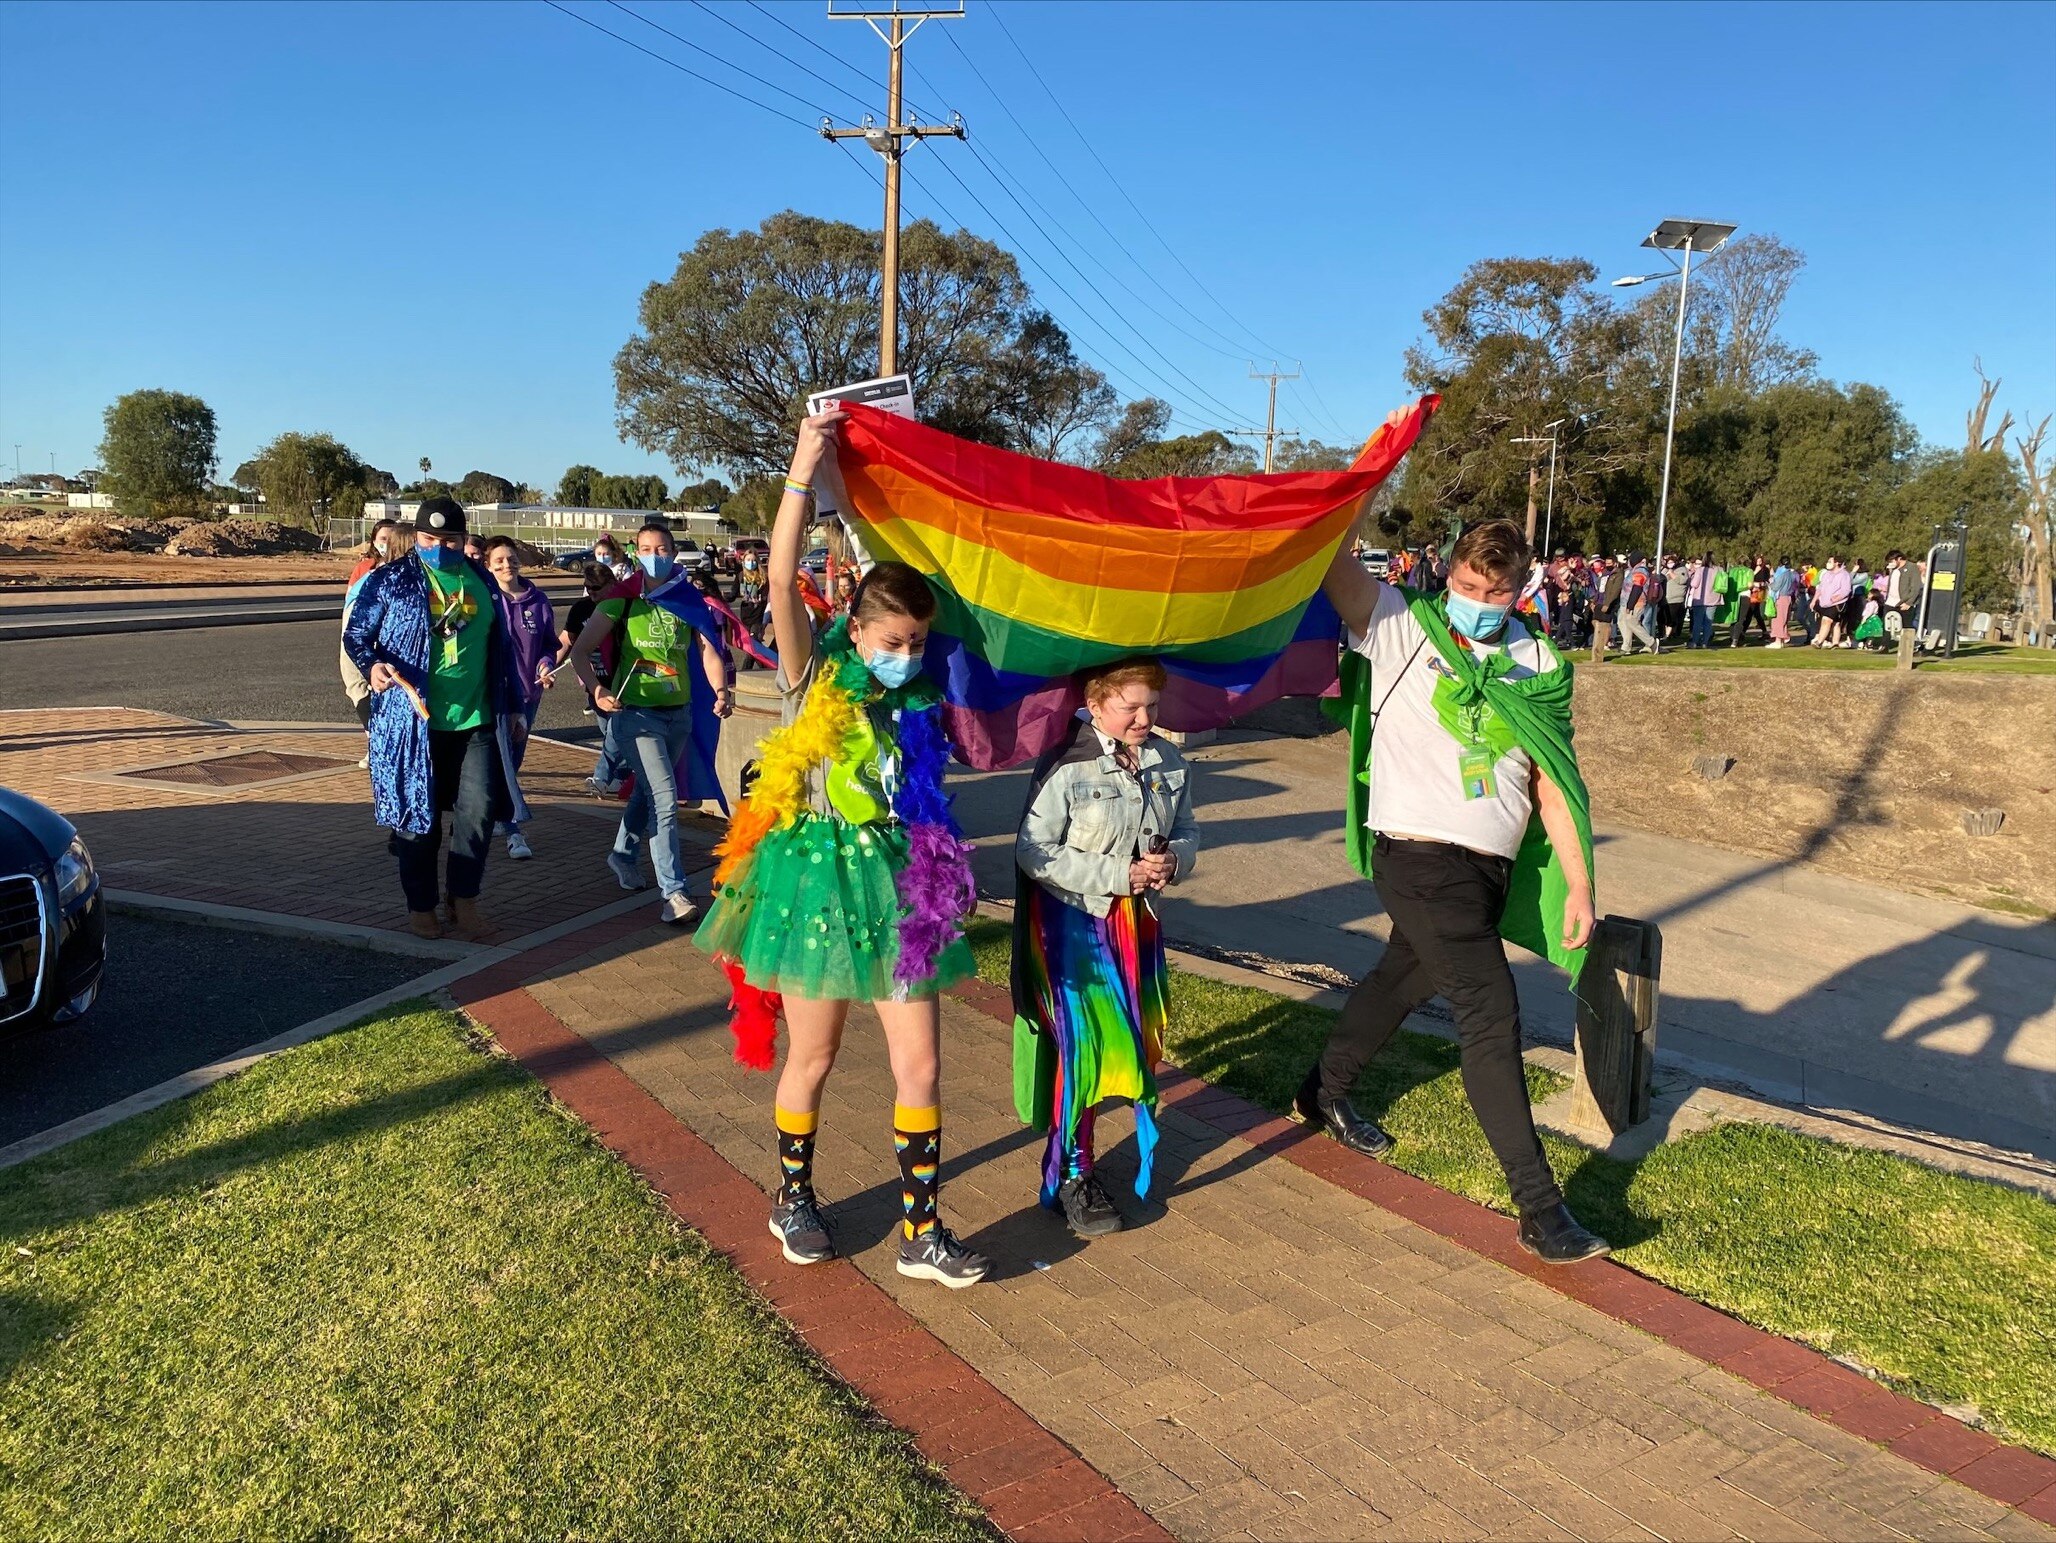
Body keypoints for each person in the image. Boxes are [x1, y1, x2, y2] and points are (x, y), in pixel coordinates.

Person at [694, 408, 987, 1288]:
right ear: (855, 633)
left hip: (904, 884)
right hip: (819, 882)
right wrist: (802, 465)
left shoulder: (917, 702)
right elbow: (781, 580)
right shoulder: (812, 676)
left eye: (918, 642)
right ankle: (794, 1197)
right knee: (813, 1055)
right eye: (892, 642)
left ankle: (921, 1231)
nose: (907, 655)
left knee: (923, 1060)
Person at [1303, 516, 1607, 1264]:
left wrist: (1578, 883)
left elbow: (1551, 782)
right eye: (1468, 585)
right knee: (1489, 1010)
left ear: (1520, 588)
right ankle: (1540, 1208)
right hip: (1413, 854)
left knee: (1401, 978)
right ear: (1450, 576)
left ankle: (1323, 1089)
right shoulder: (1403, 624)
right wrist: (1364, 483)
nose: (1479, 599)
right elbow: (1331, 560)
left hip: (1486, 872)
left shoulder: (1536, 658)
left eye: (1495, 590)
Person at [1011, 658, 1199, 1238]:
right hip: (1076, 931)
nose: (1146, 718)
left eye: (1154, 707)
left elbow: (1189, 830)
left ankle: (1075, 1163)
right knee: (1086, 1051)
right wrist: (1118, 873)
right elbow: (1032, 852)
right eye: (1131, 707)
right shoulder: (1067, 768)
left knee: (1132, 1043)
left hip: (1138, 928)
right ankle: (1072, 1173)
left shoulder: (1168, 761)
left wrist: (1176, 861)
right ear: (1095, 707)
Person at [343, 495, 529, 941]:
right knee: (417, 817)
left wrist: (515, 704)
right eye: (429, 538)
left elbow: (502, 652)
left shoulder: (483, 583)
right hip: (413, 723)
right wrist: (372, 665)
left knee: (478, 813)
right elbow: (356, 635)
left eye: (449, 540)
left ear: (464, 540)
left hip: (475, 721)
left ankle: (463, 901)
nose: (438, 547)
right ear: (416, 537)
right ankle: (420, 905)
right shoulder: (390, 581)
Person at [568, 522, 734, 925]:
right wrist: (596, 690)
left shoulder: (686, 599)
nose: (653, 555)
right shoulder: (620, 600)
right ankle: (674, 894)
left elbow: (708, 649)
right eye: (645, 548)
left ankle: (622, 854)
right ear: (634, 552)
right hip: (635, 717)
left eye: (661, 548)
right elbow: (580, 650)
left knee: (648, 791)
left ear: (674, 553)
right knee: (665, 798)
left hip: (678, 713)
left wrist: (721, 690)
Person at [481, 536, 558, 859]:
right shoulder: (484, 599)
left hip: (529, 693)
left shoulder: (538, 601)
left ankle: (496, 814)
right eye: (498, 560)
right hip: (495, 697)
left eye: (511, 559)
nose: (506, 565)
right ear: (488, 566)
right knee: (502, 762)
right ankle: (513, 830)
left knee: (512, 759)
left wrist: (545, 665)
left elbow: (547, 645)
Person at [342, 519, 401, 758]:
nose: (386, 544)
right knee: (357, 686)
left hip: (382, 634)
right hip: (357, 628)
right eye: (382, 539)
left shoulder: (401, 570)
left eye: (391, 539)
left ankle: (382, 742)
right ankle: (373, 739)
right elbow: (350, 601)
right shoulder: (364, 568)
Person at [1616, 554, 1658, 656]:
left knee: (1632, 623)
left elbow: (1637, 588)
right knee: (1622, 622)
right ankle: (1626, 647)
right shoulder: (1633, 570)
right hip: (1625, 602)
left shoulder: (1640, 570)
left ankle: (1651, 643)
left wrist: (1630, 605)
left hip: (1636, 602)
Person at [1812, 556, 1853, 648]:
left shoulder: (1844, 575)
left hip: (1837, 604)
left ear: (1837, 563)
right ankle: (1835, 643)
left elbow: (1846, 590)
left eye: (1830, 561)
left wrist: (1837, 598)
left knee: (1826, 620)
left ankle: (1819, 642)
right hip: (1824, 602)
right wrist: (1814, 600)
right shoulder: (1827, 574)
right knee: (1836, 623)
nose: (1828, 563)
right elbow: (1820, 588)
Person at [1589, 556, 1622, 663]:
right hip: (1599, 601)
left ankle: (1600, 649)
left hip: (1608, 603)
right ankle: (1600, 643)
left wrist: (1608, 604)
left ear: (1615, 563)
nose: (1608, 565)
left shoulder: (1618, 574)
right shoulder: (1603, 573)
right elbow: (1600, 589)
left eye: (1610, 563)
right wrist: (1594, 601)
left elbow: (1615, 591)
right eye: (1606, 563)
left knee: (1603, 624)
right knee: (1595, 622)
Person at [1685, 552, 1719, 649]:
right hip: (1713, 598)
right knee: (1708, 622)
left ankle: (1694, 642)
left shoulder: (1700, 570)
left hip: (1700, 598)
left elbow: (1694, 584)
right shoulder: (1718, 570)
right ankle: (1705, 642)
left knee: (1698, 622)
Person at [1767, 556, 1797, 649]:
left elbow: (1775, 587)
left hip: (1781, 598)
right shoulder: (1792, 574)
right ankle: (1782, 640)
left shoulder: (1782, 574)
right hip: (1788, 597)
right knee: (1784, 619)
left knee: (1778, 619)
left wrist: (1770, 583)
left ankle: (1778, 641)